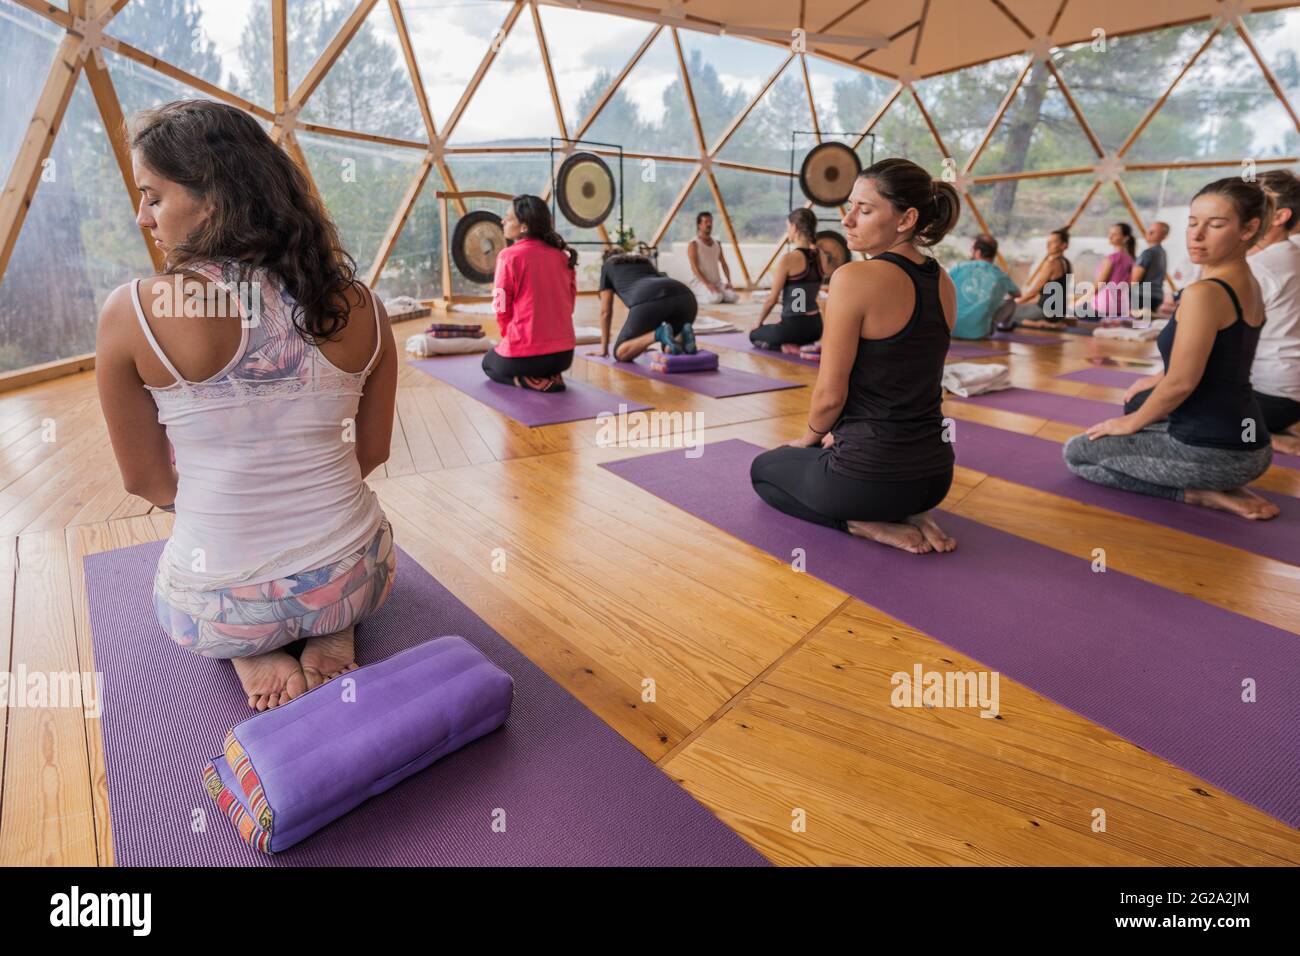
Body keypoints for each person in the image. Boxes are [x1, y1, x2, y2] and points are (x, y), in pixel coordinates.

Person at [96, 100, 399, 712]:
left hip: (215, 607)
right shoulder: (362, 305)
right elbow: (372, 452)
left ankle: (251, 642)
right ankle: (328, 621)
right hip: (361, 577)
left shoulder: (133, 311)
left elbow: (146, 481)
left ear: (212, 198)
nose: (141, 218)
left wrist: (230, 507)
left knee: (200, 581)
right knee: (340, 559)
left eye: (153, 196)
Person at [749, 158, 960, 554]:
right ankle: (909, 511)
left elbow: (830, 396)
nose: (847, 221)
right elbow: (904, 378)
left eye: (864, 210)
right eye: (849, 208)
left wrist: (808, 439)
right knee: (838, 461)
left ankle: (864, 525)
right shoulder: (943, 282)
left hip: (869, 478)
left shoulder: (853, 278)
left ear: (906, 218)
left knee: (764, 471)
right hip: (935, 477)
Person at [1064, 178, 1277, 520]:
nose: (1196, 234)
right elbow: (1220, 356)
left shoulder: (1204, 293)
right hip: (1253, 445)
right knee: (1138, 401)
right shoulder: (1249, 283)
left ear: (1248, 228)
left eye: (1216, 225)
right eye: (1193, 223)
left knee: (1076, 453)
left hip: (1216, 454)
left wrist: (1131, 423)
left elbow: (1181, 384)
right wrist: (1153, 381)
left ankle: (1199, 494)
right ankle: (1218, 482)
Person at [482, 195, 577, 392]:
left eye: (508, 218)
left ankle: (529, 380)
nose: (503, 221)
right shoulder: (561, 256)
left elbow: (500, 303)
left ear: (524, 227)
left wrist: (507, 335)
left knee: (489, 364)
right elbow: (570, 303)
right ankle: (551, 376)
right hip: (564, 356)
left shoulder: (509, 256)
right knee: (520, 357)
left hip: (526, 356)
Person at [1248, 169, 1300, 456]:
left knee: (1146, 404)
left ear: (1280, 216)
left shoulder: (1262, 265)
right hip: (1288, 399)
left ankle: (1263, 437)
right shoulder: (1291, 255)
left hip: (1266, 396)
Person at [594, 247, 699, 361]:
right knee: (669, 349)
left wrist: (604, 349)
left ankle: (659, 334)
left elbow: (606, 312)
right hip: (686, 296)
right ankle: (682, 335)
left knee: (621, 353)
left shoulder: (608, 266)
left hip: (651, 299)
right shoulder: (643, 262)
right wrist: (642, 345)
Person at [750, 208, 825, 350]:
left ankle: (785, 347)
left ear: (795, 227)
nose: (788, 231)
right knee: (781, 328)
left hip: (793, 328)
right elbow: (804, 291)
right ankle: (799, 345)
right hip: (816, 328)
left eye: (788, 227)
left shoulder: (788, 259)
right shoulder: (821, 256)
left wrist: (758, 322)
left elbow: (772, 299)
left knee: (754, 335)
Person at [949, 233, 1019, 339]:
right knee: (1011, 303)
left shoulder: (958, 268)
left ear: (978, 252)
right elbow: (1017, 294)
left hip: (949, 330)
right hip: (979, 334)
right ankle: (1005, 327)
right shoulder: (1000, 275)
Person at [1011, 228, 1073, 329]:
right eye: (1048, 242)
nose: (1048, 245)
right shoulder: (1067, 263)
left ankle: (1040, 324)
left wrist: (1017, 302)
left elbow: (1035, 290)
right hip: (1059, 312)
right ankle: (1047, 322)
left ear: (1064, 245)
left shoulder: (1051, 263)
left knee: (1005, 314)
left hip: (1046, 311)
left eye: (1053, 242)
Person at [1074, 222, 1135, 319]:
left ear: (1125, 238)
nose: (1110, 236)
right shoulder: (1131, 259)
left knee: (1072, 311)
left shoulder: (1112, 258)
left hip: (1104, 308)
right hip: (1122, 308)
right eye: (1110, 233)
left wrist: (1080, 300)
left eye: (1114, 234)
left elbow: (1100, 284)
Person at [687, 211, 739, 304]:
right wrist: (707, 284)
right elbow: (694, 268)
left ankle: (717, 295)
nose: (709, 224)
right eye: (706, 222)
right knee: (717, 297)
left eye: (710, 221)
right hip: (700, 283)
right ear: (699, 225)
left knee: (733, 297)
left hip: (717, 283)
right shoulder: (694, 244)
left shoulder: (717, 243)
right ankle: (693, 297)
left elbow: (723, 263)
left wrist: (729, 281)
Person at [1131, 221, 1170, 317]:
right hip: (1157, 296)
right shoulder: (1163, 253)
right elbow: (1163, 276)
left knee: (1136, 325)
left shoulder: (1148, 252)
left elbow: (1135, 278)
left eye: (1153, 232)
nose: (1148, 233)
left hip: (1142, 295)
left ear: (1164, 236)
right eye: (1149, 230)